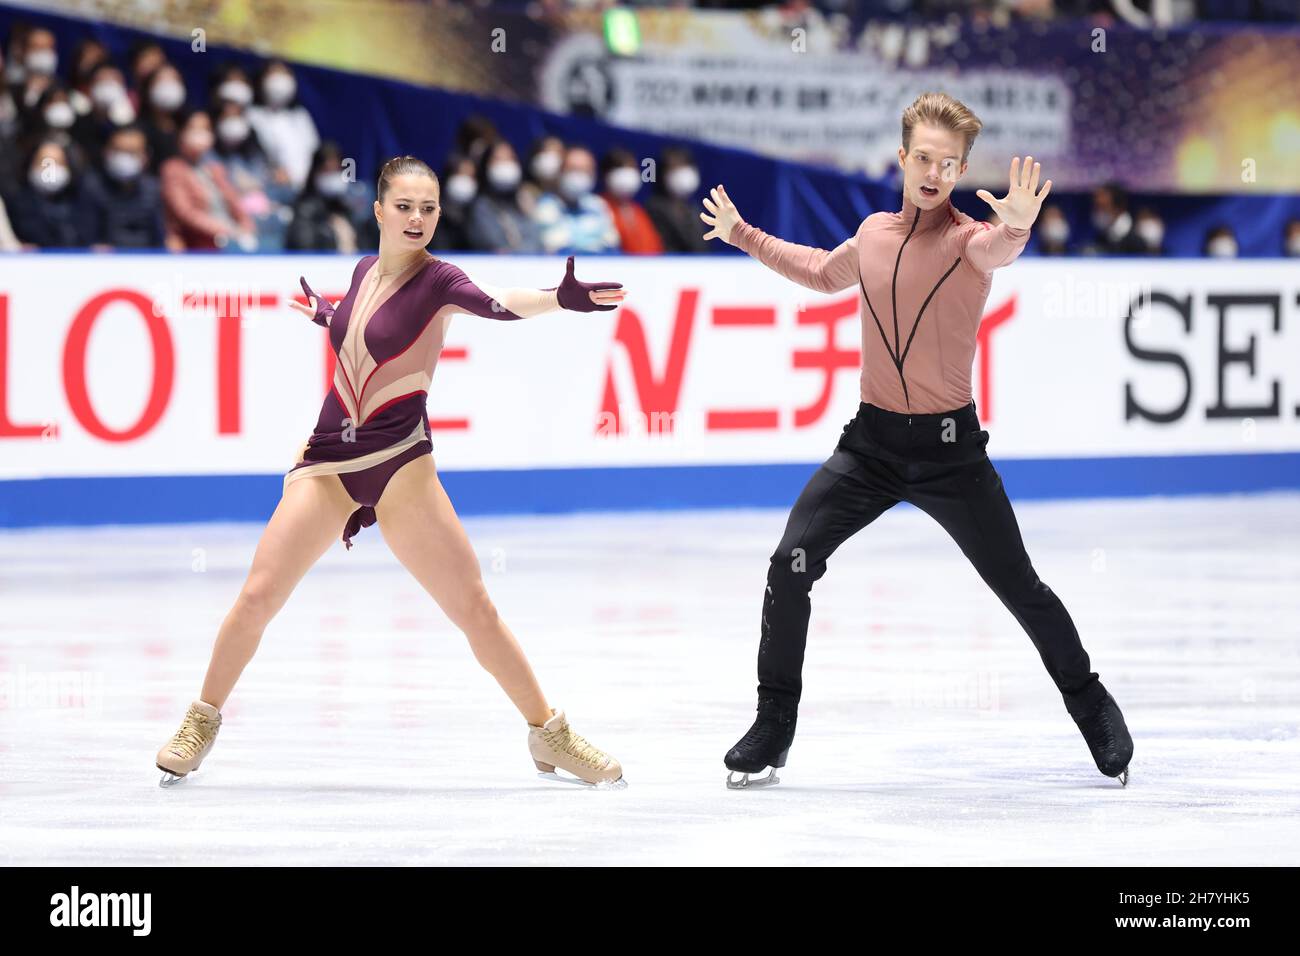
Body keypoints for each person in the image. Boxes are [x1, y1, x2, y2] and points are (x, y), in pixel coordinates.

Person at [703, 91, 1133, 790]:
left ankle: (1090, 704)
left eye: (949, 163)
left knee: (1020, 587)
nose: (934, 172)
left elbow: (1002, 247)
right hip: (869, 448)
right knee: (791, 563)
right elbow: (817, 271)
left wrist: (1019, 227)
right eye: (924, 158)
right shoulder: (872, 235)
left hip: (950, 456)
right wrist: (745, 234)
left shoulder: (969, 243)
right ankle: (774, 723)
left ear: (962, 170)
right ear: (903, 159)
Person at [155, 155, 629, 789]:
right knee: (259, 594)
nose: (416, 218)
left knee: (474, 609)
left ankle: (550, 735)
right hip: (328, 463)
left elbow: (495, 304)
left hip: (402, 463)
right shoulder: (360, 271)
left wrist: (556, 300)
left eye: (428, 208)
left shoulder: (440, 280)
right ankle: (201, 720)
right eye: (404, 206)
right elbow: (366, 332)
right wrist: (331, 316)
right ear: (378, 210)